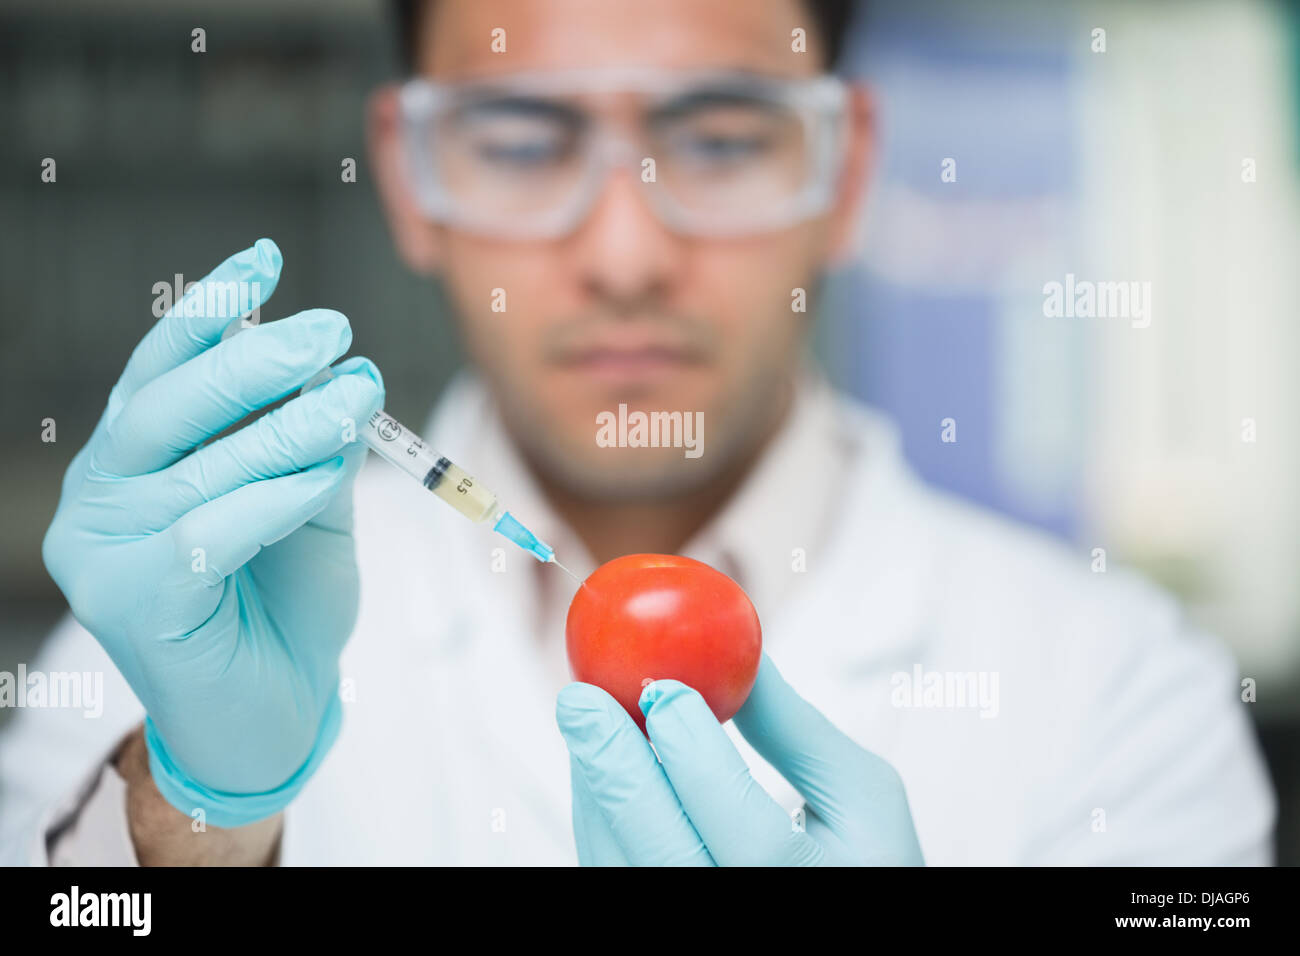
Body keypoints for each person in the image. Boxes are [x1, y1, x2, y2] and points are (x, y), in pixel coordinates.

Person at [0, 0, 1274, 866]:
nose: (623, 253)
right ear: (406, 175)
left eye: (717, 138)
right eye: (517, 137)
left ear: (845, 168)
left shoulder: (1123, 693)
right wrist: (198, 803)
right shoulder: (172, 632)